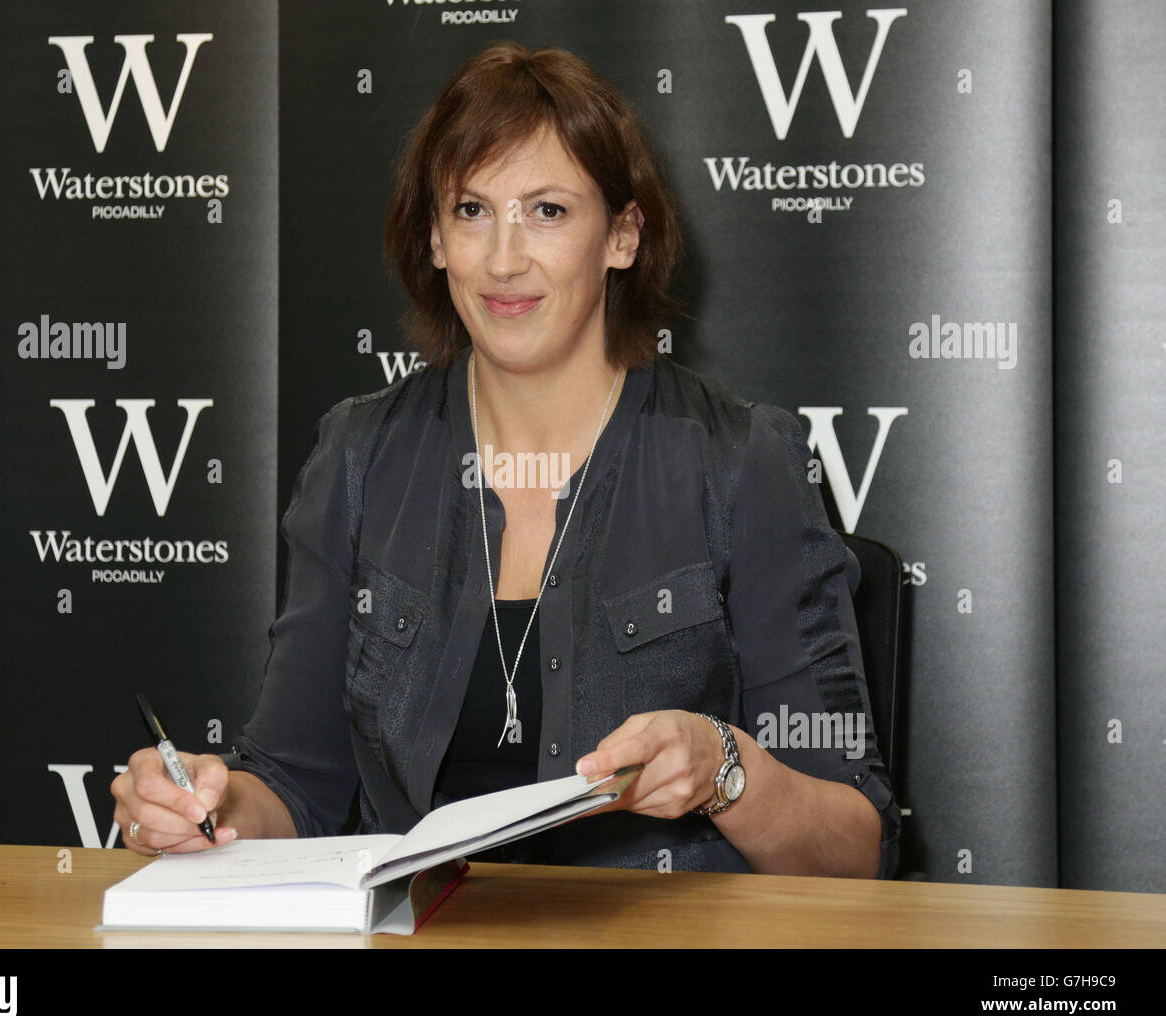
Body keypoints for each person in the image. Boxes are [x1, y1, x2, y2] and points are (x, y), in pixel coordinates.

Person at [111, 41, 900, 878]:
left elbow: (859, 849)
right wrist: (205, 806)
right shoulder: (359, 455)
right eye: (472, 211)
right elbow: (291, 789)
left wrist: (725, 768)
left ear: (623, 235)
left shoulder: (741, 460)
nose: (504, 258)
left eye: (548, 211)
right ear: (436, 240)